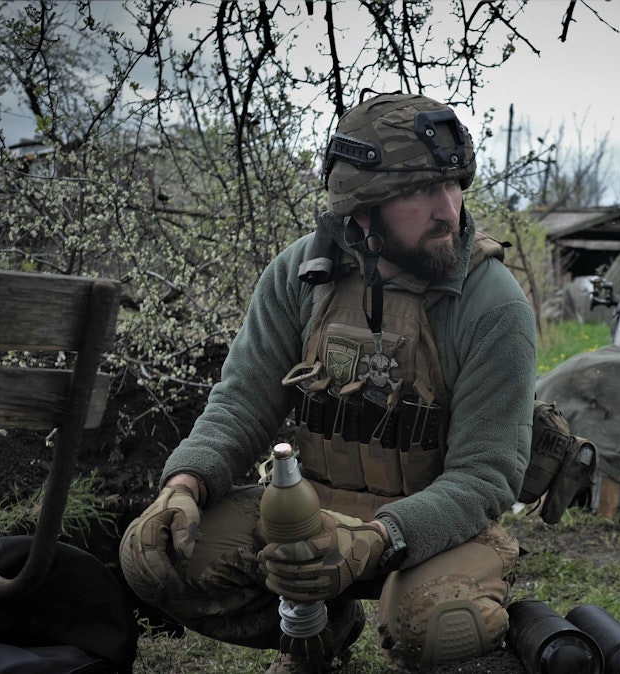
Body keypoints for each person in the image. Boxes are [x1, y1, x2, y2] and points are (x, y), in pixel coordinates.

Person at [119, 92, 538, 673]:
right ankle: (320, 635)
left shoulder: (494, 305)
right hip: (309, 517)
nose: (449, 209)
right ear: (362, 211)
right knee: (154, 554)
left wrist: (374, 541)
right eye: (420, 192)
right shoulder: (300, 275)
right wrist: (185, 483)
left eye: (454, 184)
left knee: (439, 623)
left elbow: (487, 475)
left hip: (437, 532)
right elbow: (242, 402)